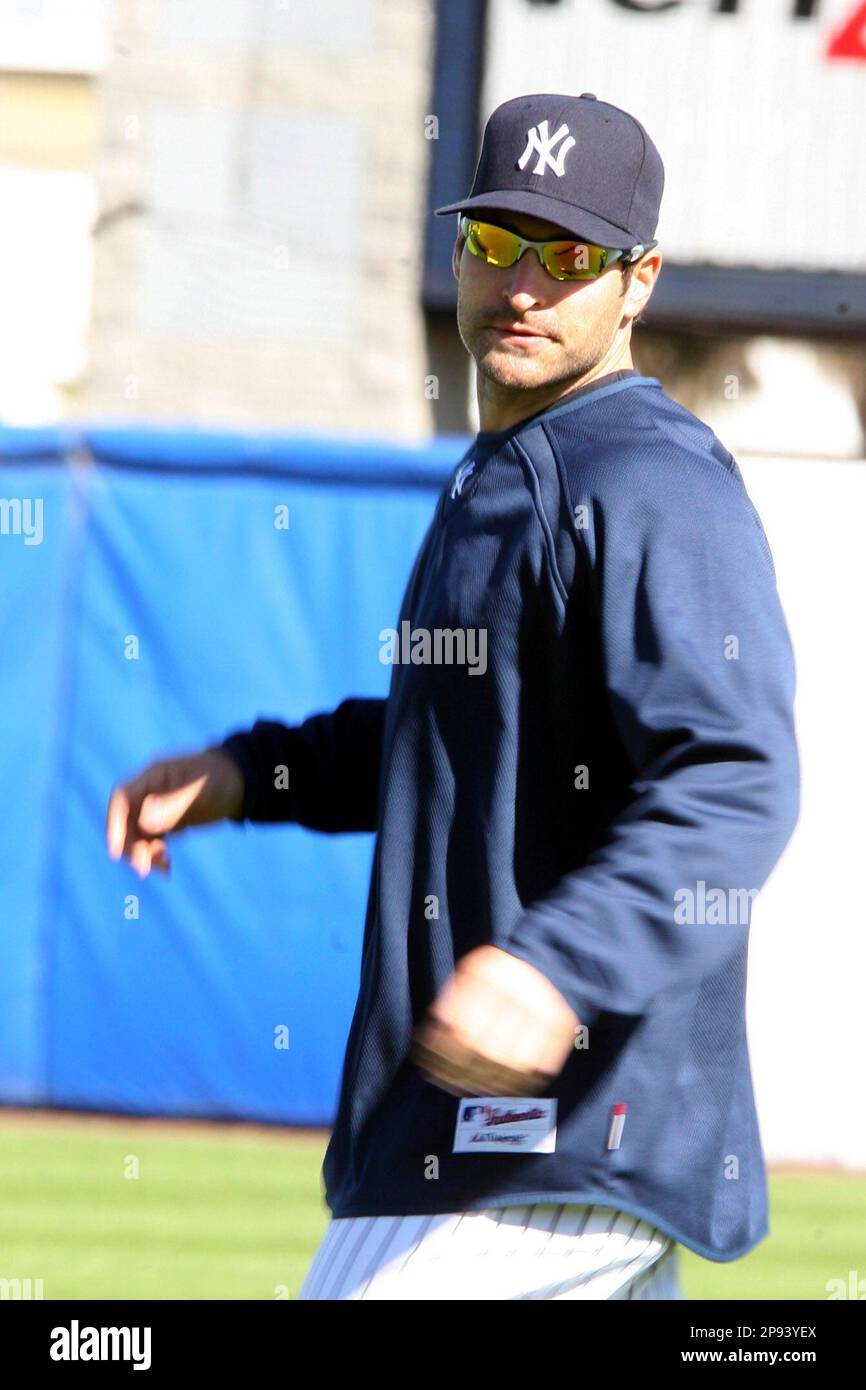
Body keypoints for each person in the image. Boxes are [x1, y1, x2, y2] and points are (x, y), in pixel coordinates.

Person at [106, 93, 800, 1300]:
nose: (521, 284)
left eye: (567, 254)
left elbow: (735, 776)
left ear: (636, 281)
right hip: (531, 1154)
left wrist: (553, 966)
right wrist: (248, 774)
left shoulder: (646, 479)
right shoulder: (512, 470)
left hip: (545, 1142)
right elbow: (460, 743)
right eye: (495, 242)